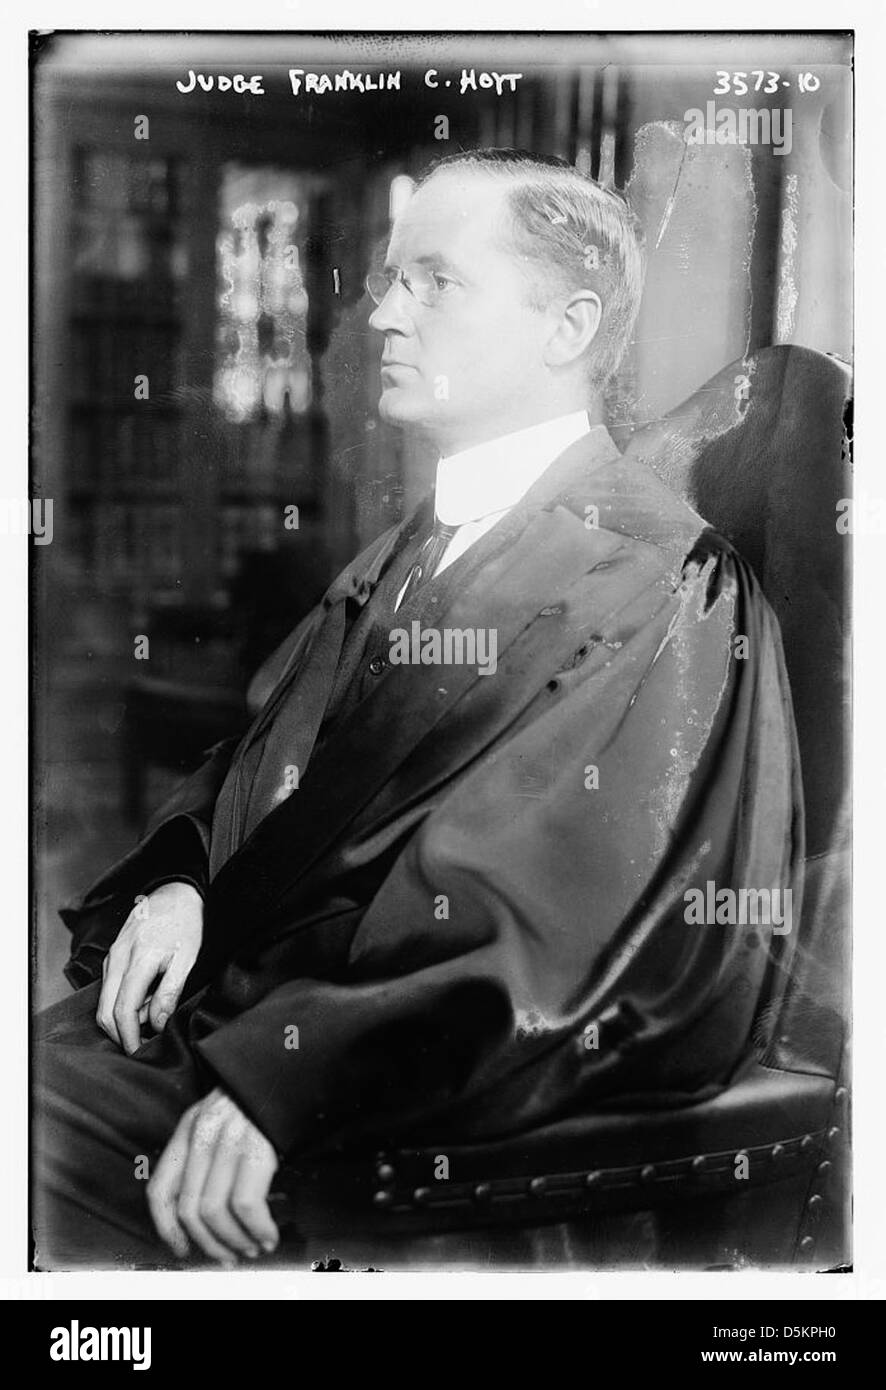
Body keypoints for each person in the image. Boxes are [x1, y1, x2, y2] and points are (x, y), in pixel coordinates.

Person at [33, 149, 803, 1269]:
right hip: (252, 1014)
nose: (381, 313)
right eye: (390, 279)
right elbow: (266, 772)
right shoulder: (412, 552)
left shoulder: (650, 576)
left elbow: (571, 926)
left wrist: (286, 1076)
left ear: (568, 326)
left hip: (416, 1101)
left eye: (435, 282)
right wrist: (188, 880)